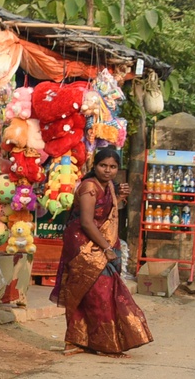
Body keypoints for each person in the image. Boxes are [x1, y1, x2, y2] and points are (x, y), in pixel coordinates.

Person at [51, 147, 152, 356]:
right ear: (94, 166)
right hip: (83, 246)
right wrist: (106, 248)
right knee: (95, 293)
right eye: (103, 165)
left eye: (113, 167)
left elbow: (106, 215)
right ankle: (99, 343)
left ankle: (81, 341)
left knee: (96, 293)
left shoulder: (109, 188)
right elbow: (87, 223)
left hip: (98, 243)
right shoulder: (89, 187)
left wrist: (119, 198)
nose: (108, 170)